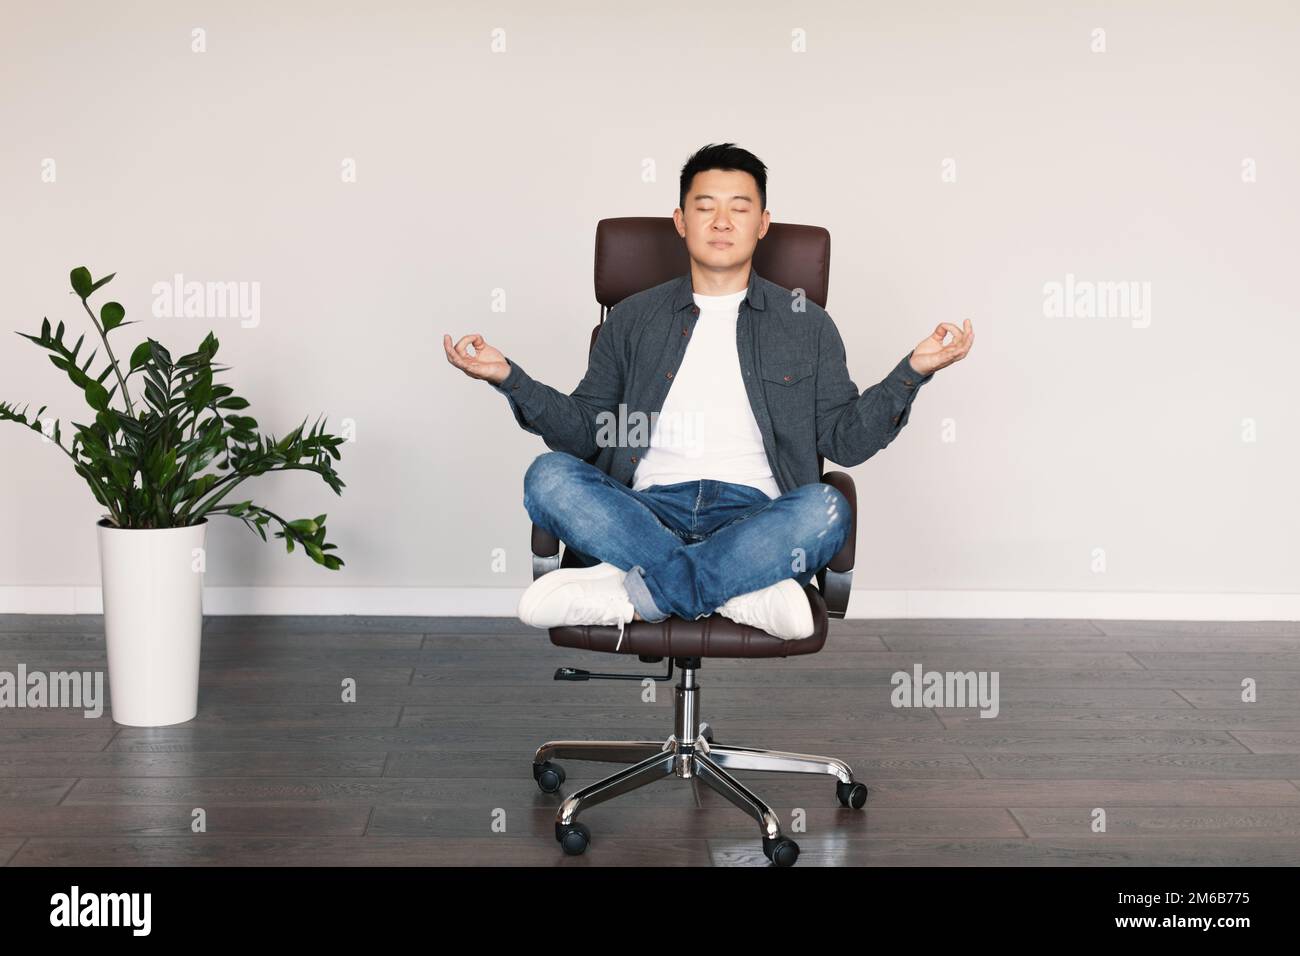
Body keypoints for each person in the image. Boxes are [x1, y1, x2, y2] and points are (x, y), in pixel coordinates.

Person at [444, 143, 973, 647]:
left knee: (826, 509)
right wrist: (508, 377)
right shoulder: (633, 318)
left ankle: (629, 593)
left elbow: (846, 440)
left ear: (763, 224)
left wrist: (913, 371)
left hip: (757, 518)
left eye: (739, 208)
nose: (722, 222)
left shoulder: (806, 325)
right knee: (549, 476)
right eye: (705, 207)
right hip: (643, 513)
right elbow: (586, 432)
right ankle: (738, 593)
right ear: (681, 221)